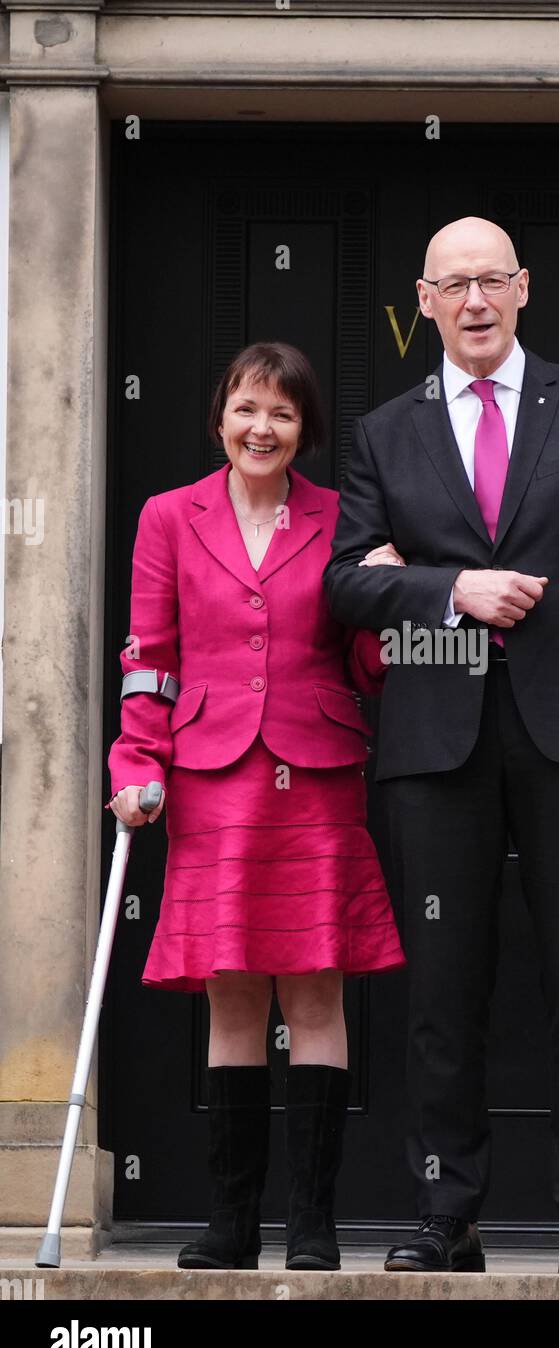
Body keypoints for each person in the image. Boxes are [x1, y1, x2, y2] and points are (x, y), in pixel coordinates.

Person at [324, 217, 559, 1275]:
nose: (476, 299)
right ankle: (447, 1218)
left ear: (526, 288)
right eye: (455, 284)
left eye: (493, 278)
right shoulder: (383, 431)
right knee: (442, 985)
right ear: (426, 298)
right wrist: (449, 586)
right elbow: (346, 581)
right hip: (437, 737)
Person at [107, 341, 406, 1273]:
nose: (261, 428)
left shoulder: (342, 517)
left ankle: (311, 1228)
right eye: (245, 409)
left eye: (280, 413)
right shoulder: (167, 517)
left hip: (315, 775)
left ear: (304, 430)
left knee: (316, 986)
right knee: (232, 993)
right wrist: (134, 759)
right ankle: (233, 1227)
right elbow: (151, 655)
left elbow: (368, 665)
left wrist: (391, 597)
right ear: (219, 419)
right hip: (208, 776)